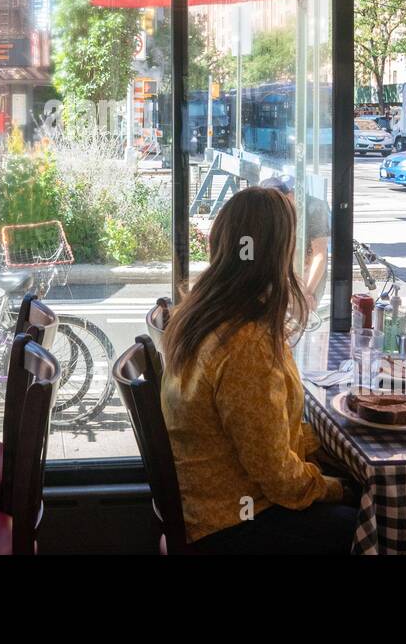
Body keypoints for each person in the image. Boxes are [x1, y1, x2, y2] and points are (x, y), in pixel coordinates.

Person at [160, 185, 357, 554]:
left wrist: (323, 456)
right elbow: (279, 479)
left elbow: (263, 439)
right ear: (276, 254)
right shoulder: (246, 342)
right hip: (232, 522)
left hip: (204, 508)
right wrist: (339, 487)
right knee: (363, 522)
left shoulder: (202, 313)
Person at [259, 174, 331, 309]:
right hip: (281, 271)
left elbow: (319, 254)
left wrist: (308, 292)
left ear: (291, 195)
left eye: (281, 204)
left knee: (301, 310)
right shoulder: (267, 213)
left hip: (308, 273)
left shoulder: (314, 208)